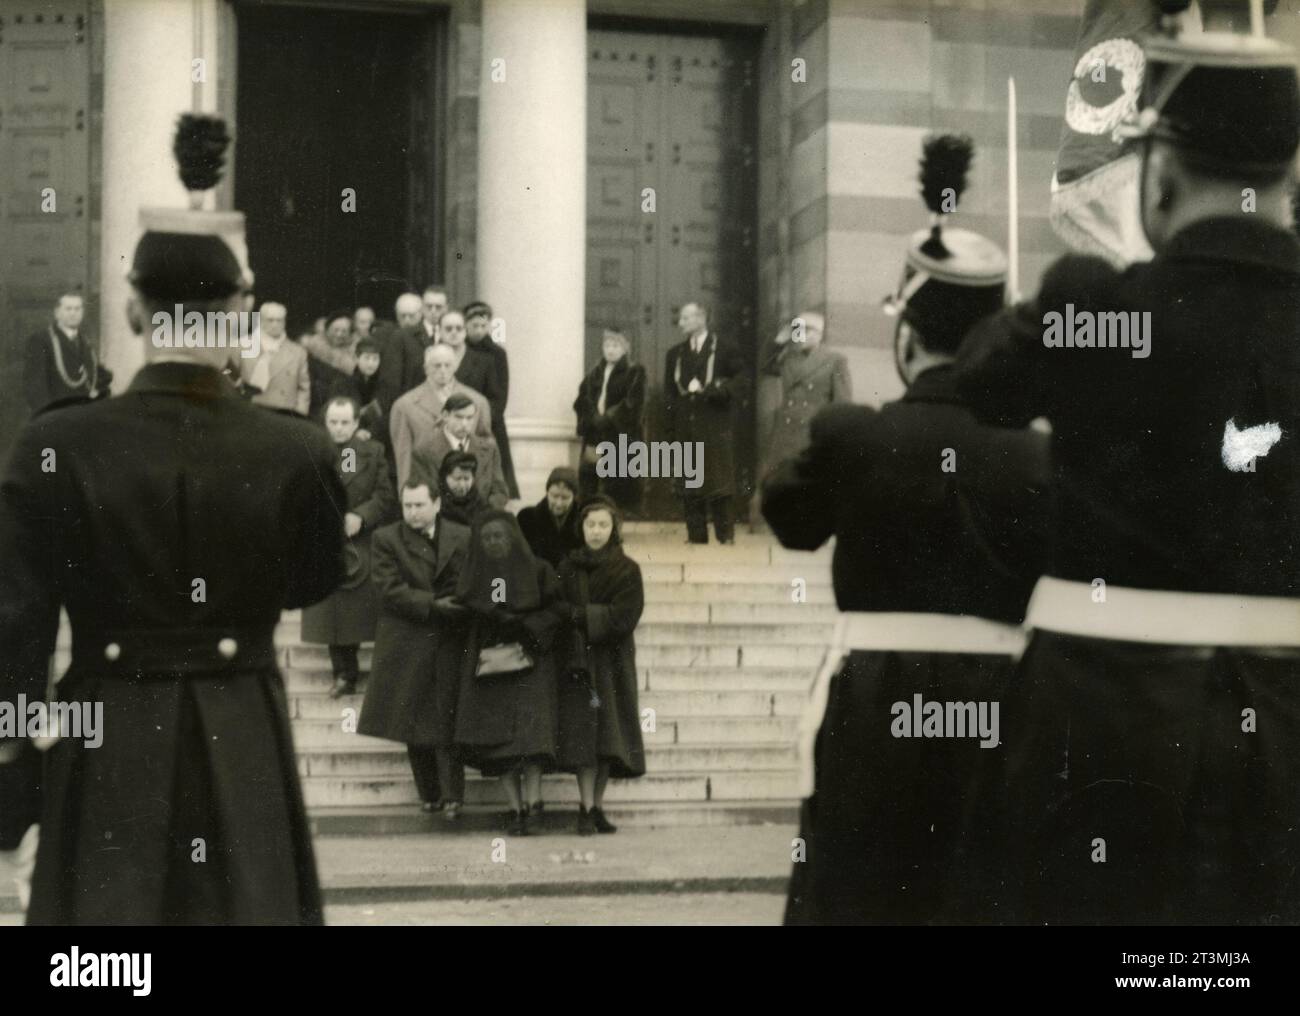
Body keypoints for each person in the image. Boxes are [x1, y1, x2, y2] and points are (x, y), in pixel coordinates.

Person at [951, 22, 1300, 925]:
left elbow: (976, 383)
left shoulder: (1091, 302)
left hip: (1099, 723)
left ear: (1161, 172)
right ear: (1290, 177)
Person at [0, 114, 345, 925]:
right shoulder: (296, 452)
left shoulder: (56, 443)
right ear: (239, 312)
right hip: (245, 737)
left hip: (107, 737)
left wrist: (14, 791)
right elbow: (313, 580)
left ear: (128, 312)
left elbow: (14, 628)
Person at [763, 133, 1051, 926]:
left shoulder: (853, 435)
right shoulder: (1035, 454)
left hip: (877, 698)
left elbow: (788, 518)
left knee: (857, 892)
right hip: (1002, 702)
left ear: (905, 332)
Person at [359, 480, 471, 819]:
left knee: (446, 717)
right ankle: (430, 794)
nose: (412, 512)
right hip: (408, 637)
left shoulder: (462, 535)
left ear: (436, 504)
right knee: (413, 718)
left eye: (419, 505)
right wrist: (433, 604)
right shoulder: (386, 538)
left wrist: (459, 603)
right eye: (407, 506)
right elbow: (388, 588)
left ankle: (453, 796)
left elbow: (469, 578)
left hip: (449, 637)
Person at [453, 511, 567, 836]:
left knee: (530, 741)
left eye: (500, 536)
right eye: (487, 538)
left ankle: (534, 803)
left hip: (531, 663)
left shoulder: (539, 570)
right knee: (499, 746)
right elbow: (464, 613)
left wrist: (526, 625)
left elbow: (559, 609)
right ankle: (514, 808)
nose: (494, 543)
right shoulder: (474, 576)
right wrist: (488, 616)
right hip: (491, 668)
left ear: (513, 538)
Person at [555, 497, 646, 835]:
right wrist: (576, 617)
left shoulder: (628, 569)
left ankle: (597, 807)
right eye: (590, 525)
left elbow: (626, 614)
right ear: (581, 528)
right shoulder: (568, 566)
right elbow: (558, 607)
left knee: (608, 735)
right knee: (583, 736)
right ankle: (585, 806)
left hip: (612, 662)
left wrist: (583, 615)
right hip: (579, 660)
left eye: (603, 525)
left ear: (614, 529)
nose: (596, 532)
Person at [302, 395, 395, 698]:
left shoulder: (373, 452)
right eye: (333, 422)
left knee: (355, 608)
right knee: (332, 610)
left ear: (356, 423)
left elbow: (385, 495)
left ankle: (356, 670)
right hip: (324, 540)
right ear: (324, 422)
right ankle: (343, 673)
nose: (339, 429)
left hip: (361, 539)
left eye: (345, 422)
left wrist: (361, 515)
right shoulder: (311, 451)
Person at [664, 302, 743, 544]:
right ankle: (696, 537)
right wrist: (672, 428)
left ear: (702, 318)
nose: (681, 323)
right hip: (687, 426)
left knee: (719, 484)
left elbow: (741, 380)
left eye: (686, 318)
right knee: (690, 484)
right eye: (681, 319)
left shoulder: (725, 348)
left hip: (715, 427)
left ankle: (725, 537)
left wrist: (715, 391)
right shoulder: (675, 354)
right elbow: (670, 394)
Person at [389, 343, 493, 489]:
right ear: (426, 368)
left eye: (447, 365)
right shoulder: (405, 406)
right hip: (427, 488)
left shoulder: (478, 402)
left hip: (467, 488)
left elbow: (486, 449)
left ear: (456, 366)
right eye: (436, 365)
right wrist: (407, 495)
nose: (443, 370)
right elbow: (403, 459)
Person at [759, 311, 852, 472]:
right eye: (797, 330)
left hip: (812, 432)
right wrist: (778, 342)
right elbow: (764, 367)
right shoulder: (789, 357)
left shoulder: (835, 360)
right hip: (785, 432)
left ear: (819, 334)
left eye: (806, 331)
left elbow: (842, 405)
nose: (800, 335)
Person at [574, 329, 646, 514]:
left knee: (615, 483)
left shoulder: (634, 371)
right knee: (590, 478)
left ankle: (614, 523)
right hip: (595, 434)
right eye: (607, 345)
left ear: (625, 348)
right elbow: (583, 398)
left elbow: (632, 402)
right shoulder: (595, 373)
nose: (611, 350)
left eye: (616, 345)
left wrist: (609, 418)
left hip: (618, 434)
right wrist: (591, 417)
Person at [408, 393, 509, 508]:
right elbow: (424, 495)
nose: (464, 424)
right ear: (445, 416)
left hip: (482, 518)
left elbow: (499, 490)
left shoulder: (489, 449)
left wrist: (486, 514)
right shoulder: (424, 451)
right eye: (459, 417)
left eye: (469, 418)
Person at [23, 291, 113, 413]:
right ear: (57, 313)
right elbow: (36, 389)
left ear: (82, 313)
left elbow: (93, 378)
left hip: (85, 416)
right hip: (58, 417)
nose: (73, 313)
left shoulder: (87, 343)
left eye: (77, 309)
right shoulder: (42, 340)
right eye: (68, 309)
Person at [464, 300, 518, 499]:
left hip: (490, 422)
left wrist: (484, 419)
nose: (479, 331)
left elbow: (501, 394)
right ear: (466, 325)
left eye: (483, 326)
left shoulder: (497, 354)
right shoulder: (461, 351)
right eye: (474, 326)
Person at [240, 300, 310, 415]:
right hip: (249, 410)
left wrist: (300, 415)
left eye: (279, 320)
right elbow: (227, 372)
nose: (275, 324)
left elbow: (304, 388)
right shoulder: (242, 345)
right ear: (261, 321)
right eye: (270, 320)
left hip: (284, 413)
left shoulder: (298, 352)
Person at [516, 466, 583, 569]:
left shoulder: (584, 520)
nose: (558, 503)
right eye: (554, 496)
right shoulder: (526, 518)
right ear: (547, 493)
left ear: (574, 497)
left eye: (565, 498)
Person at [374, 292, 428, 407]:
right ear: (396, 315)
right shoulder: (385, 336)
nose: (407, 320)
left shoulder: (428, 337)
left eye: (411, 316)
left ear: (420, 314)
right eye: (402, 316)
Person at [303, 309, 357, 421]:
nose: (339, 334)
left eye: (344, 331)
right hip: (314, 404)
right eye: (335, 330)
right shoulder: (314, 345)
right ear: (326, 330)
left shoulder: (355, 350)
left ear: (350, 334)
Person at [437, 450, 489, 527]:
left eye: (466, 479)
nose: (462, 485)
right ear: (444, 477)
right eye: (457, 479)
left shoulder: (481, 504)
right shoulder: (436, 505)